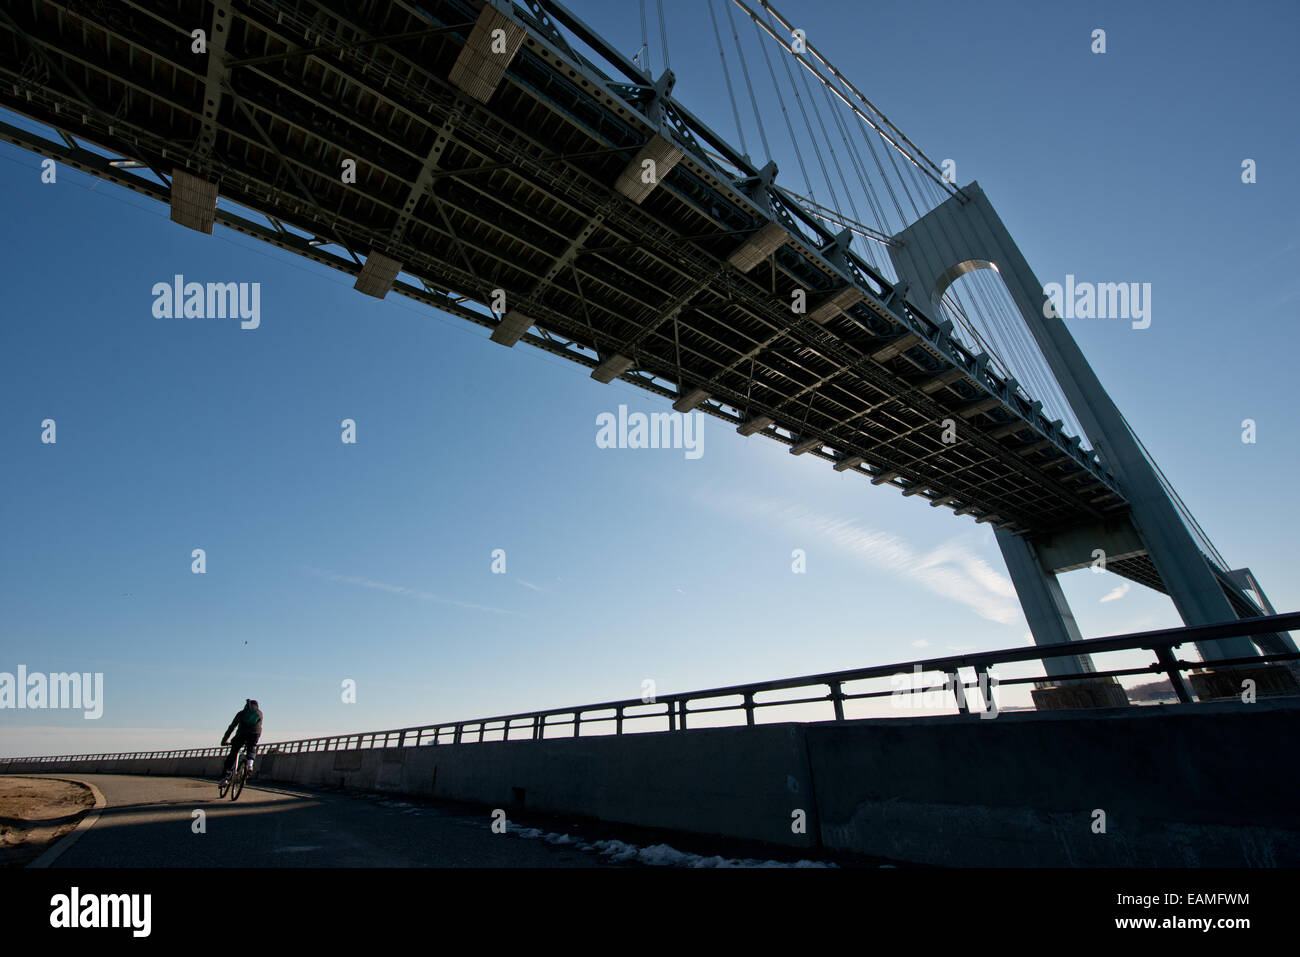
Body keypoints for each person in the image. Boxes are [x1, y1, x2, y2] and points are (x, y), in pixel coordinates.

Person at [220, 698, 262, 782]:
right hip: (255, 734)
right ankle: (250, 765)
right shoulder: (259, 713)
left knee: (234, 752)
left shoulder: (241, 713)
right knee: (252, 747)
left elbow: (231, 727)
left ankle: (226, 776)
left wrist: (224, 740)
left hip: (241, 734)